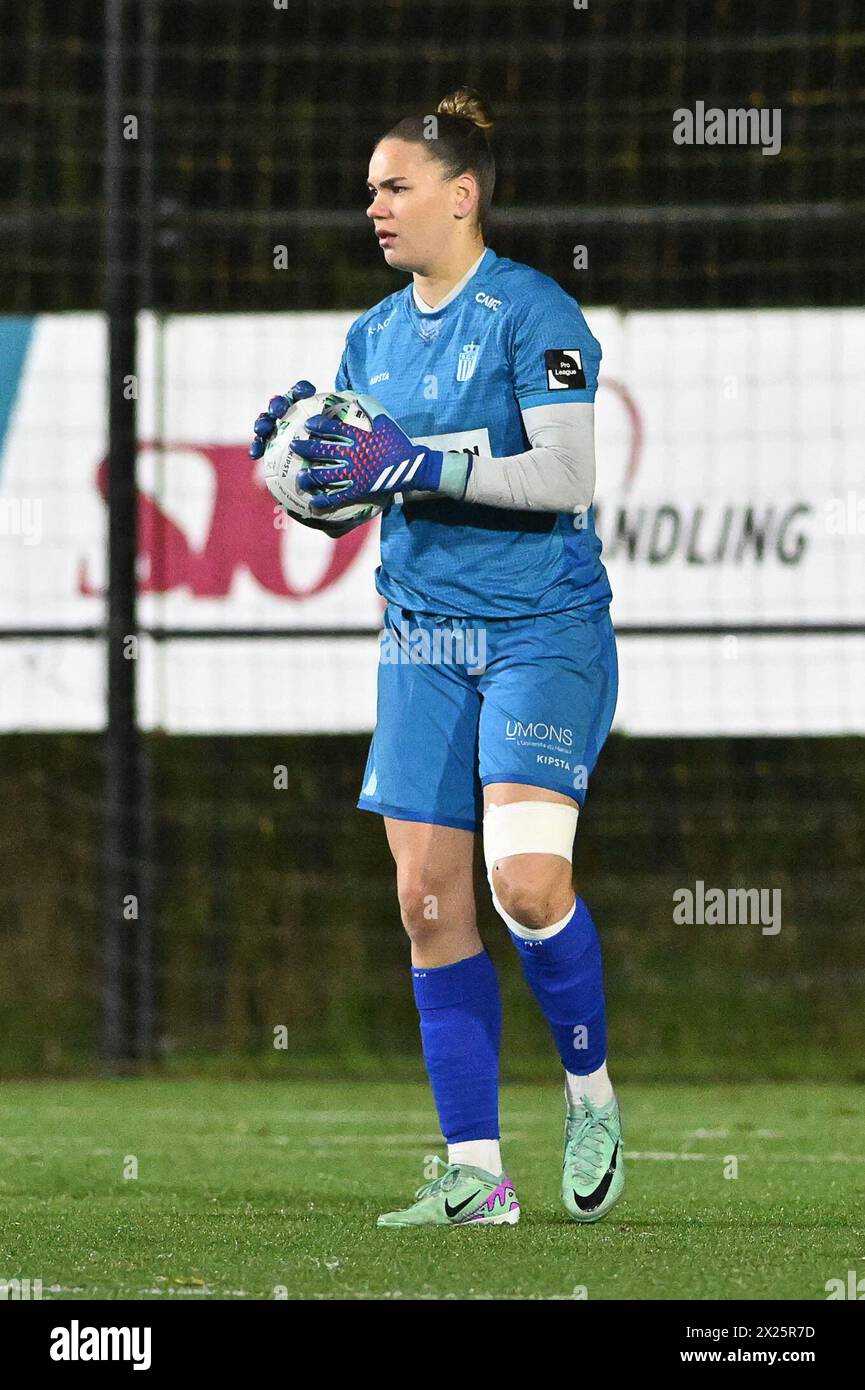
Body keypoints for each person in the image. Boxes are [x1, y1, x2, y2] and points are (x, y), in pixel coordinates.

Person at [249, 87, 623, 1228]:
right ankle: (476, 1175)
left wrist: (418, 462)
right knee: (423, 902)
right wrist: (292, 489)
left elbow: (564, 479)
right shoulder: (367, 335)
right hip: (419, 638)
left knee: (526, 886)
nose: (373, 205)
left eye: (393, 185)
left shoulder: (532, 312)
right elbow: (361, 493)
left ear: (460, 197)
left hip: (537, 632)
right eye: (369, 189)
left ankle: (590, 1090)